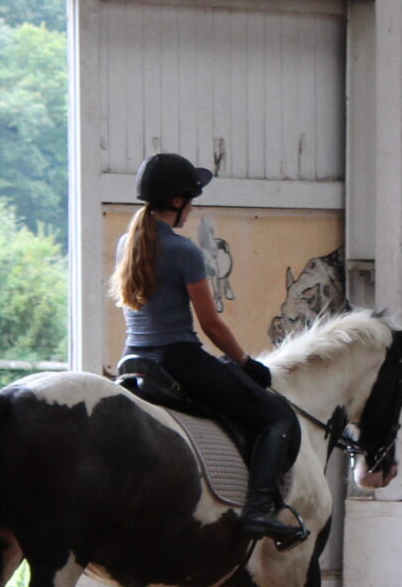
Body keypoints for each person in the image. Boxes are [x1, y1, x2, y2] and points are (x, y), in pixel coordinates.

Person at [109, 152, 308, 546]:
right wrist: (246, 363)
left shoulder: (126, 243)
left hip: (134, 359)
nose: (193, 206)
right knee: (275, 417)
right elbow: (212, 323)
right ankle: (258, 510)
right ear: (179, 202)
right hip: (179, 359)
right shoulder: (184, 251)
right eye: (191, 198)